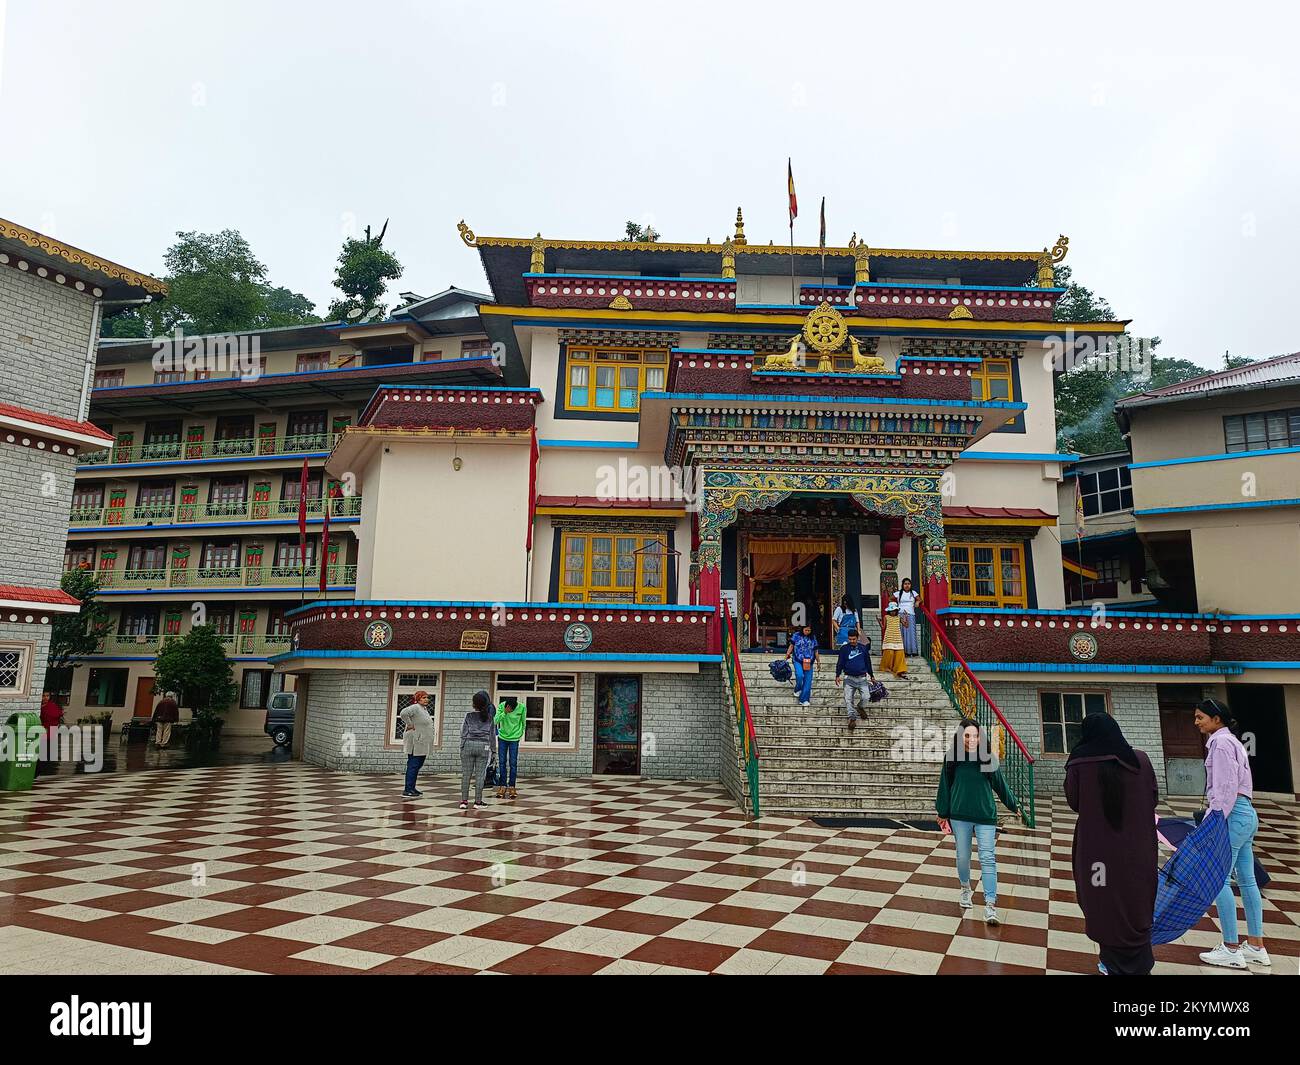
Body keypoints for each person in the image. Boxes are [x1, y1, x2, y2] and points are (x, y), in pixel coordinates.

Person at [1065, 712, 1158, 975]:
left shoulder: (1080, 762)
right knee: (1135, 899)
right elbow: (1152, 797)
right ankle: (1140, 963)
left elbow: (1074, 801)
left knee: (1101, 899)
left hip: (1098, 857)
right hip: (1138, 852)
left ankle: (1110, 961)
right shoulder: (1140, 760)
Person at [1195, 698, 1270, 969]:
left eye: (1201, 717)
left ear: (1217, 719)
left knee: (1220, 879)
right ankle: (1256, 946)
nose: (1197, 722)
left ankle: (1230, 947)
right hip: (1246, 814)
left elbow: (1225, 788)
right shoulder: (1234, 742)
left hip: (1231, 814)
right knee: (1248, 881)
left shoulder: (1221, 744)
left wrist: (1214, 821)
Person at [935, 718, 1018, 925]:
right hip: (960, 815)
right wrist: (942, 811)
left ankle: (990, 905)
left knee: (987, 858)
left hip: (985, 816)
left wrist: (1013, 805)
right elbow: (945, 785)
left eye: (975, 735)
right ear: (960, 737)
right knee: (963, 857)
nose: (971, 740)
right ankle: (965, 889)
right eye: (967, 735)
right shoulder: (952, 758)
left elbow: (1000, 784)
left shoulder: (987, 758)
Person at [460, 689, 498, 811]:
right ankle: (477, 801)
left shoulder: (468, 716)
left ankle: (464, 801)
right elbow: (492, 736)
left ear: (474, 704)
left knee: (466, 774)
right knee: (480, 775)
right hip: (484, 746)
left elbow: (463, 733)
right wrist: (493, 751)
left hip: (468, 745)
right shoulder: (490, 718)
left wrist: (462, 746)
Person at [833, 628, 874, 730]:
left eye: (854, 639)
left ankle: (860, 707)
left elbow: (868, 662)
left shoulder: (863, 648)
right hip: (848, 678)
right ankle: (852, 718)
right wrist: (837, 675)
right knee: (848, 699)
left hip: (862, 677)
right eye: (850, 639)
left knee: (866, 697)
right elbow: (840, 663)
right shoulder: (844, 649)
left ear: (858, 638)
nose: (852, 641)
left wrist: (871, 675)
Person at [399, 689, 435, 799]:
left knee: (418, 765)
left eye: (427, 697)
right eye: (423, 697)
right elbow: (403, 713)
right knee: (413, 765)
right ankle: (408, 790)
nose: (426, 699)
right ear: (418, 699)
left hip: (422, 742)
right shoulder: (415, 707)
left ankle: (412, 787)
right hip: (416, 741)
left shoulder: (423, 709)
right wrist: (409, 724)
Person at [494, 695, 525, 801]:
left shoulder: (522, 707)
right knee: (502, 762)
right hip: (502, 738)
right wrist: (504, 712)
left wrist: (520, 734)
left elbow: (523, 722)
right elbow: (495, 721)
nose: (510, 710)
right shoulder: (501, 706)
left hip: (514, 738)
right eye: (509, 709)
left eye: (512, 709)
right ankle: (502, 786)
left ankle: (512, 786)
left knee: (513, 763)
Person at [785, 622, 819, 707]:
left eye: (809, 630)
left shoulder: (813, 637)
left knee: (808, 680)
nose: (807, 632)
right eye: (806, 630)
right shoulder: (796, 635)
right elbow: (791, 646)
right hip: (798, 659)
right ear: (802, 629)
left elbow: (816, 650)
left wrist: (818, 661)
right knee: (799, 675)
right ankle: (798, 688)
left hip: (809, 661)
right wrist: (787, 654)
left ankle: (804, 699)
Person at [893, 578, 921, 656]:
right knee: (902, 633)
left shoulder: (913, 593)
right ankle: (904, 651)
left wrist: (918, 602)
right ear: (902, 585)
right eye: (905, 584)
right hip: (901, 615)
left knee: (911, 633)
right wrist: (895, 606)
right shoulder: (898, 593)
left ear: (910, 585)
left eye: (908, 584)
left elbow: (919, 599)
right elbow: (890, 599)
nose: (907, 585)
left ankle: (913, 651)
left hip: (910, 615)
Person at [879, 603, 908, 679]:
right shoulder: (886, 617)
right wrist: (879, 621)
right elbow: (883, 627)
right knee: (889, 653)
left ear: (896, 611)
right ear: (889, 611)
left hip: (897, 637)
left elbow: (906, 625)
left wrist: (906, 617)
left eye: (894, 610)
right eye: (891, 610)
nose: (893, 612)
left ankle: (900, 669)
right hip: (889, 637)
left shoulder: (899, 617)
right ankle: (887, 667)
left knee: (900, 653)